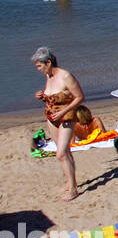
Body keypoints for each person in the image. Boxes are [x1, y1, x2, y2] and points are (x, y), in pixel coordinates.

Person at [32, 47, 85, 201]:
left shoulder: (66, 75)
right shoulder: (49, 75)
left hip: (66, 116)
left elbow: (79, 97)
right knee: (65, 152)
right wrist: (42, 96)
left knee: (61, 153)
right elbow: (55, 95)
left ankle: (73, 189)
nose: (38, 69)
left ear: (48, 62)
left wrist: (63, 112)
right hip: (51, 117)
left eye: (39, 66)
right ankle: (70, 183)